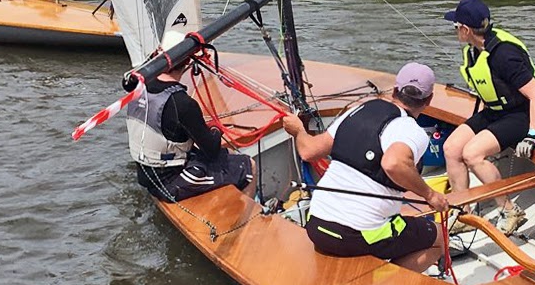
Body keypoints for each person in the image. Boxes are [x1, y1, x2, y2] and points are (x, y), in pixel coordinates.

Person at [282, 63, 449, 272]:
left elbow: (309, 151)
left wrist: (299, 130)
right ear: (429, 100)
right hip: (356, 234)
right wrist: (431, 195)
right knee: (438, 236)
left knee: (399, 223)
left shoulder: (359, 109)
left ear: (395, 90)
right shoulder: (410, 129)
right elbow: (394, 163)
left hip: (316, 225)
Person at [441, 0, 535, 234]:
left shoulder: (504, 55)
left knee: (472, 153)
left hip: (521, 114)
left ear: (466, 30)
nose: (455, 31)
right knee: (451, 148)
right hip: (494, 112)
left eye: (456, 26)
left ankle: (510, 210)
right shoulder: (474, 50)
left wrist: (532, 135)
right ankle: (463, 213)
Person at [127, 60, 257, 202]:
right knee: (248, 166)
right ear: (187, 62)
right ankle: (247, 220)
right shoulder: (183, 103)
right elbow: (212, 151)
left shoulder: (139, 87)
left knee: (228, 154)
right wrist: (215, 129)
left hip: (146, 174)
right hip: (170, 183)